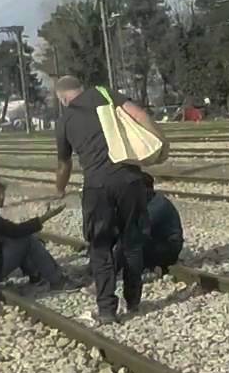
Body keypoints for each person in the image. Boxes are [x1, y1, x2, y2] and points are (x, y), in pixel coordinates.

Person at [54, 76, 167, 324]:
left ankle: (106, 309)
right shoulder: (104, 94)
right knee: (132, 242)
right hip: (129, 180)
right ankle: (134, 302)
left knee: (101, 247)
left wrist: (59, 188)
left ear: (62, 97)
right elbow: (138, 114)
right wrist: (161, 143)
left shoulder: (64, 120)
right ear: (81, 88)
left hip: (96, 187)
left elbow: (64, 164)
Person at [0, 180, 65, 288]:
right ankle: (57, 280)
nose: (2, 197)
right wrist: (46, 217)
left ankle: (35, 274)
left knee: (17, 239)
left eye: (2, 194)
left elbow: (7, 233)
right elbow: (16, 231)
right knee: (26, 239)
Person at [141, 173, 184, 273]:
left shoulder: (157, 205)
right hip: (159, 243)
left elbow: (140, 229)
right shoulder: (149, 201)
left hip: (169, 249)